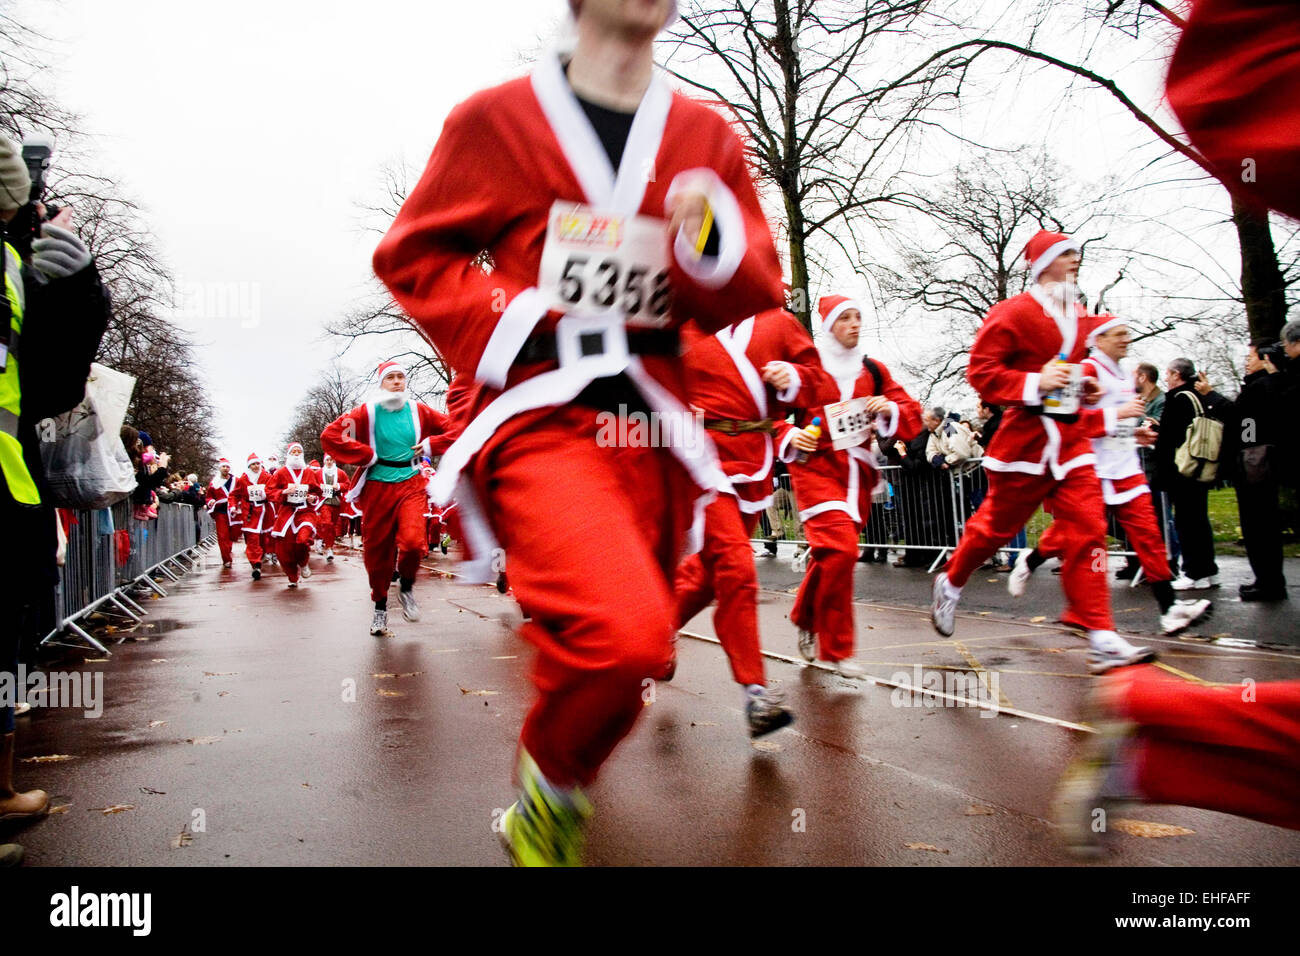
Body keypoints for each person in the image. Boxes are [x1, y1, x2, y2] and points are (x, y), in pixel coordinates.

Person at [371, 0, 785, 865]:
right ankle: (554, 775)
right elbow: (415, 255)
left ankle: (554, 783)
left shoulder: (704, 135)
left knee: (640, 657)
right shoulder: (497, 119)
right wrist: (522, 314)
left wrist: (703, 236)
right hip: (546, 417)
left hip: (657, 429)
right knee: (621, 635)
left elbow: (753, 278)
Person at [930, 229, 1155, 673]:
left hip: (1071, 445)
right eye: (1067, 253)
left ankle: (1102, 634)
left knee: (1089, 529)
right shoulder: (1012, 313)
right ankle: (951, 582)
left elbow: (1065, 377)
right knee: (994, 528)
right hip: (1025, 446)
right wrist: (1035, 383)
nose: (1076, 259)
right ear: (1043, 263)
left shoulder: (1075, 313)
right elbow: (982, 373)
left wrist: (1082, 387)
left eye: (1076, 252)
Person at [0, 132, 111, 841]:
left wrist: (74, 290)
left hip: (5, 482)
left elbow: (45, 382)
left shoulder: (11, 261)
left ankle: (1, 788)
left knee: (6, 643)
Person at [671, 308, 837, 736]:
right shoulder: (681, 320)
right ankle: (755, 692)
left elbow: (823, 385)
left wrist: (794, 381)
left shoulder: (778, 324)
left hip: (754, 463)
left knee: (709, 574)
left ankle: (654, 634)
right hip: (701, 462)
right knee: (738, 566)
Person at [1008, 318, 1212, 635]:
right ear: (1098, 339)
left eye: (1127, 334)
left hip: (1126, 470)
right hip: (1090, 471)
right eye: (1118, 335)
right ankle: (1031, 561)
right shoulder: (1085, 370)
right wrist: (1118, 414)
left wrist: (1135, 434)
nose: (1125, 340)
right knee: (1069, 535)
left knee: (1150, 537)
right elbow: (1066, 418)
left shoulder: (1123, 375)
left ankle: (1170, 609)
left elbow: (1115, 424)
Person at [788, 296, 922, 677]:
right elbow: (772, 412)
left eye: (858, 317)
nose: (854, 324)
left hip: (857, 477)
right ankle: (838, 649)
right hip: (814, 470)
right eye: (844, 318)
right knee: (843, 552)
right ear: (828, 325)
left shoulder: (873, 370)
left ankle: (803, 616)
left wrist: (888, 409)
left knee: (832, 555)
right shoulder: (808, 370)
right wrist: (791, 434)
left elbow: (909, 411)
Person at [320, 362, 453, 633]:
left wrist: (431, 445)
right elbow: (330, 435)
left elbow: (457, 428)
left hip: (411, 482)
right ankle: (380, 606)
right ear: (382, 384)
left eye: (401, 377)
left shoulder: (419, 410)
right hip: (378, 486)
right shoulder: (367, 412)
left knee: (414, 542)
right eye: (390, 378)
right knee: (378, 552)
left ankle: (406, 587)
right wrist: (365, 454)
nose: (396, 382)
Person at [1200, 339, 1288, 601]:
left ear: (1264, 359)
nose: (1247, 362)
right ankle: (1269, 580)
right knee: (1265, 526)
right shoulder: (1274, 385)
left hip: (1253, 466)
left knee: (1257, 526)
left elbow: (1242, 420)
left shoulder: (1259, 388)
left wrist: (1212, 395)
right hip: (1263, 463)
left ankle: (1268, 582)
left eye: (1250, 357)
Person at [1152, 358, 1220, 590]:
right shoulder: (1198, 396)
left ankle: (1194, 572)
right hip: (1200, 463)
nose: (1167, 378)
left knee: (1187, 521)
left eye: (1169, 374)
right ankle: (1209, 570)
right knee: (1199, 519)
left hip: (1182, 467)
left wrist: (1156, 433)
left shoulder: (1178, 399)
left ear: (1177, 374)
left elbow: (1172, 437)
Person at [267, 442, 321, 588]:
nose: (296, 454)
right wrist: (282, 492)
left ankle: (303, 562)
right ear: (289, 455)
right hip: (287, 513)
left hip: (305, 511)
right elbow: (269, 491)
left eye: (299, 451)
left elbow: (317, 492)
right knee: (283, 551)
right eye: (294, 452)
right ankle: (292, 576)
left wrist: (312, 498)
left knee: (303, 539)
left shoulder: (309, 472)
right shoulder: (281, 473)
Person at [233, 453, 276, 580]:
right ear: (249, 466)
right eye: (253, 464)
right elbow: (234, 494)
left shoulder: (267, 477)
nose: (256, 466)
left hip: (265, 510)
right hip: (250, 512)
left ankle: (262, 555)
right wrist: (233, 506)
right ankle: (255, 564)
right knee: (252, 539)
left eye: (257, 463)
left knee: (263, 538)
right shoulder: (243, 479)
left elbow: (274, 491)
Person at [203, 457, 238, 569]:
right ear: (220, 468)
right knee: (223, 536)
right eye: (223, 466)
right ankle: (226, 559)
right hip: (221, 511)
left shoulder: (235, 481)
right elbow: (209, 497)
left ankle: (228, 551)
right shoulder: (214, 483)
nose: (225, 468)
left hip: (233, 511)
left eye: (227, 466)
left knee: (232, 535)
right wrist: (211, 501)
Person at [315, 453, 350, 562]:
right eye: (327, 460)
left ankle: (326, 542)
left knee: (333, 525)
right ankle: (329, 548)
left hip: (336, 502)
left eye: (331, 460)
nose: (329, 462)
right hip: (324, 502)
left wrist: (338, 486)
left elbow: (347, 484)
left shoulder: (340, 472)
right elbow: (313, 485)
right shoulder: (319, 473)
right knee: (327, 523)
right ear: (324, 461)